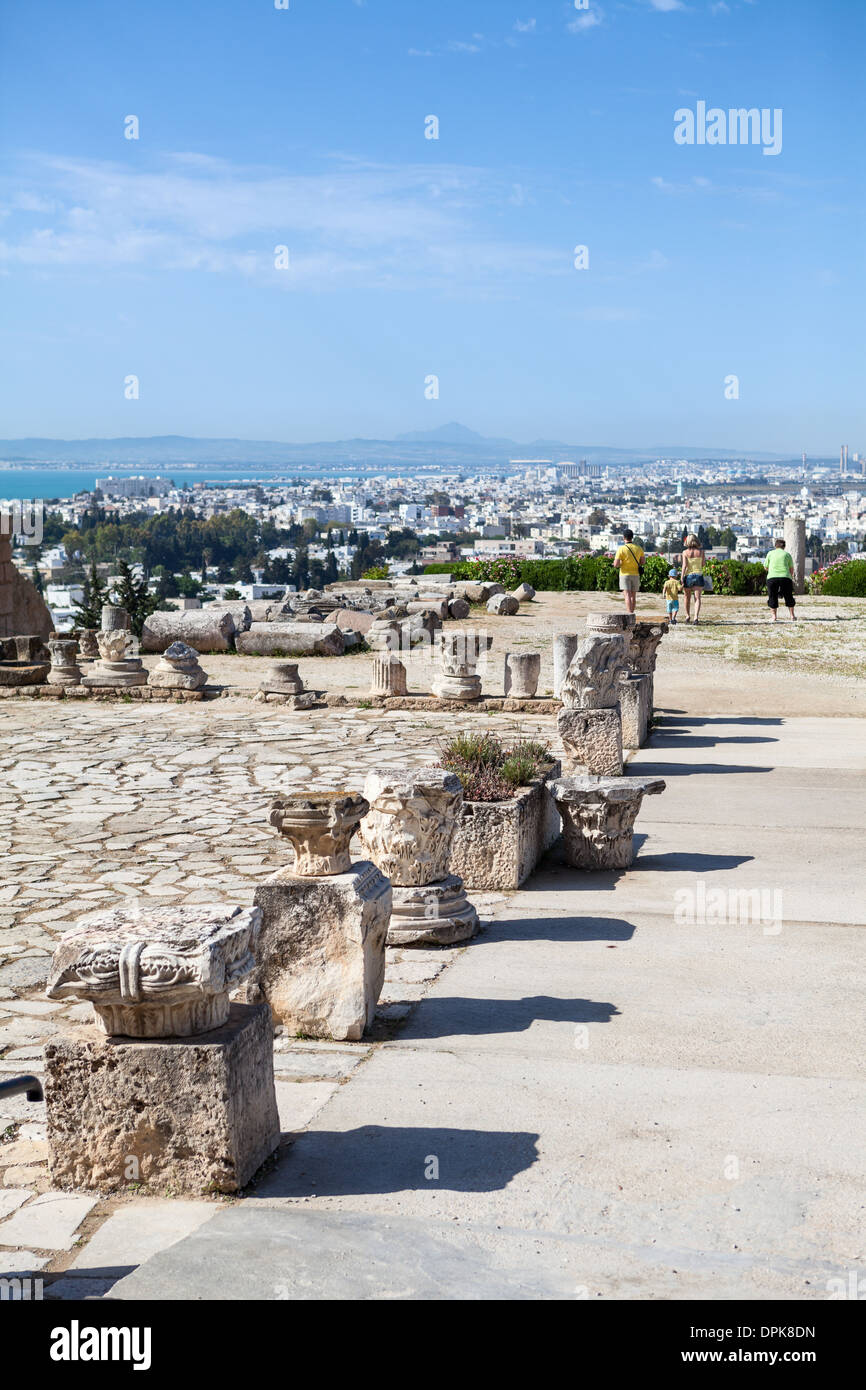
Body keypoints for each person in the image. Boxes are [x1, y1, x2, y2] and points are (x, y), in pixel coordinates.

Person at [764, 537, 797, 623]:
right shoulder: (787, 555)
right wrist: (790, 577)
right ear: (784, 547)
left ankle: (774, 616)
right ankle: (792, 616)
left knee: (772, 596)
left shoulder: (770, 553)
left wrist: (772, 571)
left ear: (775, 546)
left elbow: (765, 567)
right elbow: (791, 569)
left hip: (772, 577)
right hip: (785, 577)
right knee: (788, 595)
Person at [613, 528, 644, 614]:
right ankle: (632, 612)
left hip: (624, 574)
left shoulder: (621, 549)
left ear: (624, 537)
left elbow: (616, 564)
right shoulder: (639, 548)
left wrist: (621, 563)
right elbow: (643, 562)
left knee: (627, 595)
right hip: (636, 574)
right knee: (633, 596)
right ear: (632, 537)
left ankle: (629, 613)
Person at [680, 533, 706, 624]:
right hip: (698, 575)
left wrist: (682, 577)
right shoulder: (701, 552)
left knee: (687, 597)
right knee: (697, 598)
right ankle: (696, 617)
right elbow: (703, 564)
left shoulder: (684, 552)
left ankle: (687, 616)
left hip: (688, 576)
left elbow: (684, 566)